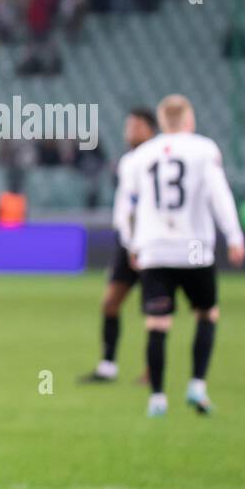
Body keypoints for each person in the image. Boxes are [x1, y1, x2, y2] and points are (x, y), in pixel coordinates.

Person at [113, 94, 245, 417]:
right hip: (194, 245)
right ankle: (197, 385)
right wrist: (234, 236)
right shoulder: (204, 150)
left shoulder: (138, 157)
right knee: (206, 313)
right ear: (189, 120)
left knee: (157, 322)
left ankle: (157, 398)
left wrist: (132, 244)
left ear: (162, 121)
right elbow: (219, 195)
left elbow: (124, 208)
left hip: (155, 246)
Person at [81, 108, 157, 383]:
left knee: (154, 310)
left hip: (148, 244)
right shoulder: (128, 161)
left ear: (150, 129)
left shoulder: (155, 160)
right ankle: (107, 366)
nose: (130, 131)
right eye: (129, 126)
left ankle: (152, 370)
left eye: (136, 126)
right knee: (110, 303)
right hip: (127, 243)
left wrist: (138, 243)